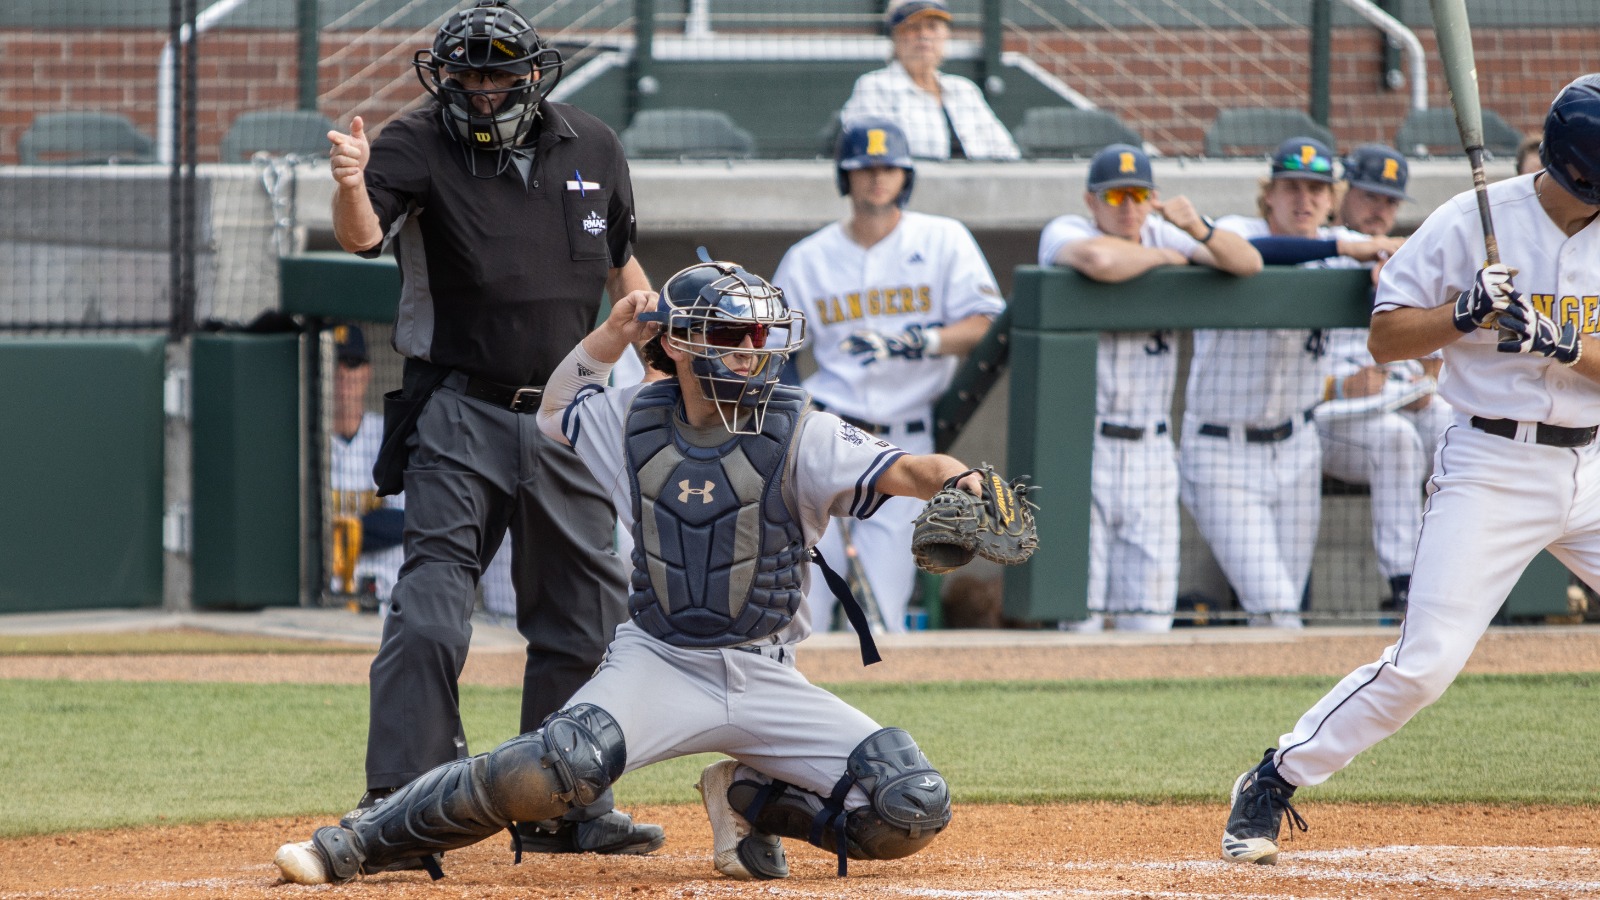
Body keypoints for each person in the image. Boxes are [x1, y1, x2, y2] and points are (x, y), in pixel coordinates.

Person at [273, 257, 968, 885]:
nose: (752, 354)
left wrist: (960, 480)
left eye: (760, 338)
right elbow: (556, 407)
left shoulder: (804, 431)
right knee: (555, 766)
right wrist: (610, 335)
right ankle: (358, 840)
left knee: (908, 807)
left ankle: (750, 797)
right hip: (659, 662)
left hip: (767, 672)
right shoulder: (633, 416)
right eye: (730, 337)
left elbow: (911, 468)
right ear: (677, 343)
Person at [1221, 74, 1600, 865]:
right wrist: (1464, 312)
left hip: (1593, 462)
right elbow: (1387, 338)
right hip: (1494, 465)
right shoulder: (1472, 220)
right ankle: (1277, 774)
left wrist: (1555, 341)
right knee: (1423, 665)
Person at [324, 0, 660, 854]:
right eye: (466, 72)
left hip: (570, 410)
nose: (480, 89)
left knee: (585, 616)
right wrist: (350, 182)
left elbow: (622, 263)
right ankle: (402, 802)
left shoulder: (593, 144)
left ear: (532, 74)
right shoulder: (412, 140)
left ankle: (564, 803)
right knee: (434, 603)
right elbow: (364, 239)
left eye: (496, 72)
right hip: (461, 406)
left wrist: (661, 353)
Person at [772, 117, 1005, 633]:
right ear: (845, 177)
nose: (878, 177)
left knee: (883, 614)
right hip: (828, 436)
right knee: (800, 608)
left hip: (903, 444)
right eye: (865, 168)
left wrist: (923, 339)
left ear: (906, 176)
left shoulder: (944, 239)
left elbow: (988, 322)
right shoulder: (808, 257)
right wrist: (794, 411)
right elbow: (775, 348)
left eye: (889, 168)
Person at [1037, 143, 1261, 631]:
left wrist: (1197, 230)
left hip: (1153, 448)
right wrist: (1164, 256)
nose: (1128, 208)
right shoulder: (1067, 230)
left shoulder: (1168, 229)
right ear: (1091, 201)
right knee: (1079, 618)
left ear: (1153, 198)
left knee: (1152, 619)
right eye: (1115, 197)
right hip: (1085, 446)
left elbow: (1248, 264)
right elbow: (1098, 260)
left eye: (1138, 195)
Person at [1182, 137, 1395, 628]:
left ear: (1333, 198)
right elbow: (1244, 252)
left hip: (1298, 446)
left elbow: (1399, 281)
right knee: (1277, 611)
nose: (1305, 200)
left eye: (1318, 190)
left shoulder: (1348, 254)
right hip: (1222, 450)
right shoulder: (1238, 230)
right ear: (1269, 194)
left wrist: (1382, 271)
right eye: (1292, 188)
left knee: (1283, 612)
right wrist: (1347, 243)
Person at [1252, 144, 1449, 615]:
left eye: (1390, 201)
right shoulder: (1327, 245)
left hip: (1386, 401)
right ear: (1343, 196)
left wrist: (1424, 381)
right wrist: (1341, 387)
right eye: (1370, 197)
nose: (1380, 210)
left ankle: (1449, 569)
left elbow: (1437, 359)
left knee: (1451, 424)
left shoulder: (1399, 254)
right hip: (1323, 414)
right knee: (1394, 441)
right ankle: (1405, 582)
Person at [840, 0, 1020, 161]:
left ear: (946, 35)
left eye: (932, 27)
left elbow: (1007, 151)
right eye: (913, 28)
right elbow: (869, 157)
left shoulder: (964, 89)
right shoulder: (874, 87)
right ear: (895, 36)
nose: (924, 35)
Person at [326, 323, 406, 610]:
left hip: (387, 598)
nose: (343, 374)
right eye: (335, 363)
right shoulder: (308, 442)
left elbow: (409, 520)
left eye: (353, 363)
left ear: (367, 372)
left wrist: (341, 531)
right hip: (325, 601)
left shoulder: (387, 436)